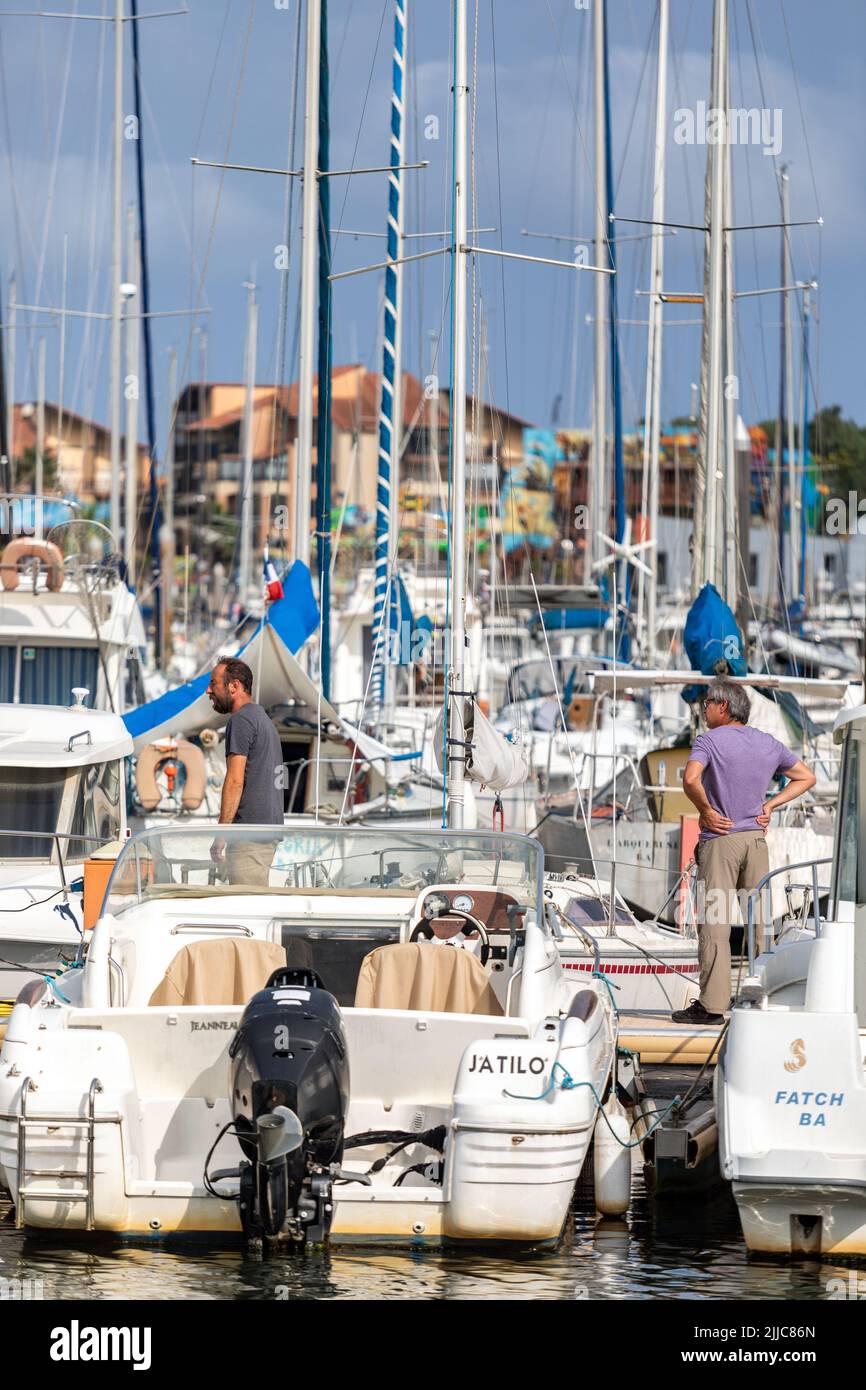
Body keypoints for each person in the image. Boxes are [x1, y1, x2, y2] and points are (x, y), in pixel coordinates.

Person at [671, 677, 816, 1025]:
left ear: (723, 706)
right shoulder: (767, 743)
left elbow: (690, 779)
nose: (704, 708)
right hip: (756, 843)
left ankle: (712, 1006)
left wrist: (705, 810)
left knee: (715, 924)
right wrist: (772, 805)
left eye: (707, 703)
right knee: (760, 923)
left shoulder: (708, 741)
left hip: (720, 843)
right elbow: (806, 777)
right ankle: (763, 997)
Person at [206, 657, 284, 886]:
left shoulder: (241, 720)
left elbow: (234, 781)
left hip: (249, 834)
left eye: (214, 683)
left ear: (234, 686)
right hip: (267, 831)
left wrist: (221, 836)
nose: (208, 690)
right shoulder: (264, 720)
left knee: (247, 904)